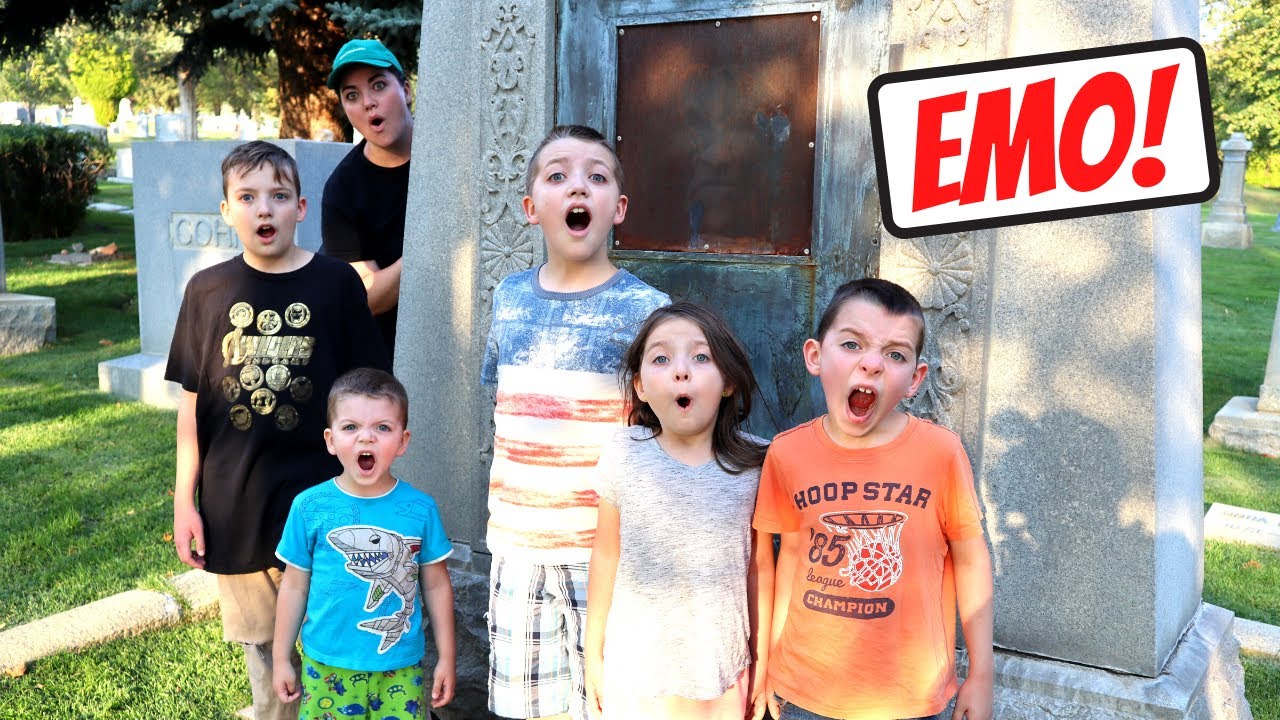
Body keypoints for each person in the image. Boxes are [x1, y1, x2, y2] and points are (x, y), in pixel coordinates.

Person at [167, 140, 390, 720]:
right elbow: (192, 409)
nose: (263, 208)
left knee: (339, 657)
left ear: (301, 207)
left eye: (279, 195)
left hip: (327, 508)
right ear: (226, 210)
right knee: (270, 670)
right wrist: (184, 503)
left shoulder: (337, 284)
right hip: (237, 507)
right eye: (247, 197)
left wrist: (373, 492)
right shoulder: (206, 291)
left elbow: (369, 400)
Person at [481, 124, 670, 720]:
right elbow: (503, 403)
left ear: (619, 208)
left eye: (597, 176)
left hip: (608, 554)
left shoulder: (648, 310)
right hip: (518, 545)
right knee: (526, 708)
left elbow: (660, 432)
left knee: (610, 703)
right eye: (558, 175)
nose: (577, 187)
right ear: (531, 208)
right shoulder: (509, 297)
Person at [753, 278, 994, 720]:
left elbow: (971, 558)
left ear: (915, 379)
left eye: (895, 354)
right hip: (802, 691)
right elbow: (787, 560)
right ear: (815, 356)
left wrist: (981, 673)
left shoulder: (940, 453)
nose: (872, 364)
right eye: (852, 344)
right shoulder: (786, 454)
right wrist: (767, 664)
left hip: (909, 696)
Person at [584, 302, 773, 720]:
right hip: (634, 675)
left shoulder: (756, 465)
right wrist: (592, 653)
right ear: (640, 386)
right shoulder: (623, 454)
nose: (681, 371)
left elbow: (759, 568)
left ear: (728, 381)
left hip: (721, 674)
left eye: (701, 357)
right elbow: (606, 554)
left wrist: (763, 661)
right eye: (661, 358)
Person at [272, 368, 457, 717]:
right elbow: (294, 587)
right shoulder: (309, 507)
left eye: (382, 428)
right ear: (330, 440)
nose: (366, 438)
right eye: (350, 427)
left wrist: (447, 657)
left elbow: (436, 586)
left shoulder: (421, 508)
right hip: (326, 664)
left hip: (400, 666)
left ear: (403, 441)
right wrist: (281, 657)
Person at [322, 38, 415, 361]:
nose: (368, 103)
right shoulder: (342, 189)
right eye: (352, 95)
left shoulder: (451, 152)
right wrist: (425, 252)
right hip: (385, 357)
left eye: (378, 85)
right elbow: (368, 296)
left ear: (406, 90)